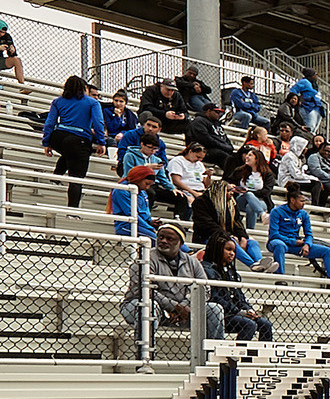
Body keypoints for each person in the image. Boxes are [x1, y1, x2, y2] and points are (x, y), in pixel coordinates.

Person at [121, 222, 223, 339]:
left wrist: (184, 306)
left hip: (183, 312)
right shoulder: (145, 258)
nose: (164, 241)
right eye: (161, 237)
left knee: (214, 309)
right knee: (149, 306)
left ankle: (211, 354)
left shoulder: (192, 262)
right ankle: (145, 354)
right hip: (141, 306)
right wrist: (174, 306)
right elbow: (144, 290)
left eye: (170, 239)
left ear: (180, 243)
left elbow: (204, 289)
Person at [41, 75, 106, 208]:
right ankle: (73, 211)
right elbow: (99, 123)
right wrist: (101, 142)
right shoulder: (92, 102)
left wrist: (46, 142)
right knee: (76, 178)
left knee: (69, 151)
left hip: (58, 137)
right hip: (79, 139)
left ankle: (56, 176)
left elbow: (49, 123)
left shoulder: (57, 101)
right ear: (84, 88)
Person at [201, 235, 272, 341]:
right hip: (220, 315)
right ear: (218, 249)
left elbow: (239, 296)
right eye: (228, 249)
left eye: (234, 251)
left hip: (235, 312)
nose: (232, 253)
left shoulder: (232, 272)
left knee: (265, 324)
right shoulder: (207, 270)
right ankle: (235, 355)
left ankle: (261, 356)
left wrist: (249, 309)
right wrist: (239, 312)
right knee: (249, 324)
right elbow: (215, 297)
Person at [193, 178, 266, 269]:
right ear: (219, 191)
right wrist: (228, 236)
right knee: (231, 242)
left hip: (228, 235)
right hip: (208, 236)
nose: (232, 193)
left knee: (252, 242)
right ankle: (252, 265)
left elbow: (237, 222)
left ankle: (260, 263)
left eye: (232, 190)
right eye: (228, 190)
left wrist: (242, 237)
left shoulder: (231, 204)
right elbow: (208, 225)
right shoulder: (201, 202)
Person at [266, 186, 330, 277]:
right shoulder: (276, 211)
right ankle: (280, 277)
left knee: (327, 251)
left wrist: (307, 244)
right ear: (292, 200)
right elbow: (274, 234)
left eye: (304, 201)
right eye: (301, 201)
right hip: (279, 242)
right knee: (279, 245)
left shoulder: (303, 214)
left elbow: (309, 234)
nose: (303, 204)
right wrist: (294, 242)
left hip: (296, 244)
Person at [110, 165, 159, 241]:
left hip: (142, 225)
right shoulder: (121, 190)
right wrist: (150, 228)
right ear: (138, 179)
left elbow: (144, 212)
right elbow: (131, 213)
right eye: (146, 184)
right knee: (157, 240)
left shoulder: (143, 192)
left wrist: (150, 221)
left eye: (150, 185)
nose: (147, 188)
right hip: (126, 225)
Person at [163, 142, 210, 219]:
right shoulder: (178, 161)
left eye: (201, 158)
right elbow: (176, 181)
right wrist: (193, 192)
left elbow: (206, 183)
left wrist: (209, 176)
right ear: (190, 151)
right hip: (185, 189)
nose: (199, 160)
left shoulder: (200, 164)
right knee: (190, 201)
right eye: (197, 157)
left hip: (200, 189)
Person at [187, 102, 237, 169]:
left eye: (219, 113)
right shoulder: (199, 121)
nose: (218, 114)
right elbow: (206, 140)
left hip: (218, 149)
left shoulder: (217, 124)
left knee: (236, 157)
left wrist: (229, 147)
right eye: (216, 112)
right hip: (202, 150)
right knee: (223, 155)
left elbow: (226, 139)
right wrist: (224, 147)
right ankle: (230, 178)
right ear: (208, 111)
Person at [288, 67, 326, 133]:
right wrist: (298, 100)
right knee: (310, 126)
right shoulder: (304, 82)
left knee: (315, 128)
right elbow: (292, 91)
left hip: (317, 107)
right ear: (311, 75)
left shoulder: (314, 84)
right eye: (315, 74)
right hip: (308, 107)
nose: (317, 76)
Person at [303, 137, 330, 206]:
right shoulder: (314, 157)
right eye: (324, 150)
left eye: (328, 152)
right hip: (323, 180)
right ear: (320, 149)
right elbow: (317, 171)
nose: (326, 153)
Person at [0, 17, 22, 83]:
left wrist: (12, 50)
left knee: (16, 60)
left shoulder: (7, 36)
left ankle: (22, 86)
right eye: (0, 32)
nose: (2, 34)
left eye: (4, 32)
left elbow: (12, 55)